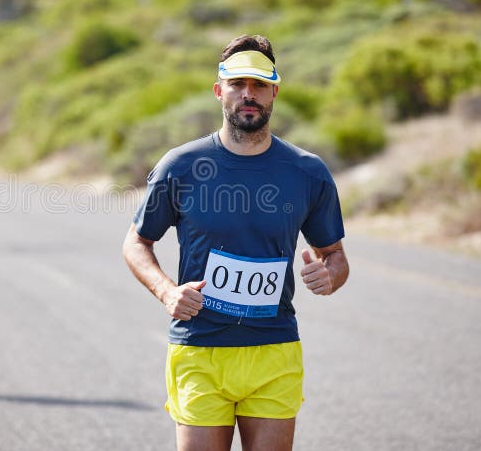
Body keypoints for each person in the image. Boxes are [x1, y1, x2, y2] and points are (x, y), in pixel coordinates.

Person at [122, 35, 350, 451]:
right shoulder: (182, 166)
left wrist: (328, 275)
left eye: (260, 85)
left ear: (275, 91)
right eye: (238, 84)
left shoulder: (307, 172)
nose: (249, 94)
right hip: (200, 350)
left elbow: (335, 257)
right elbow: (137, 243)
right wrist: (166, 290)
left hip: (274, 350)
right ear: (218, 91)